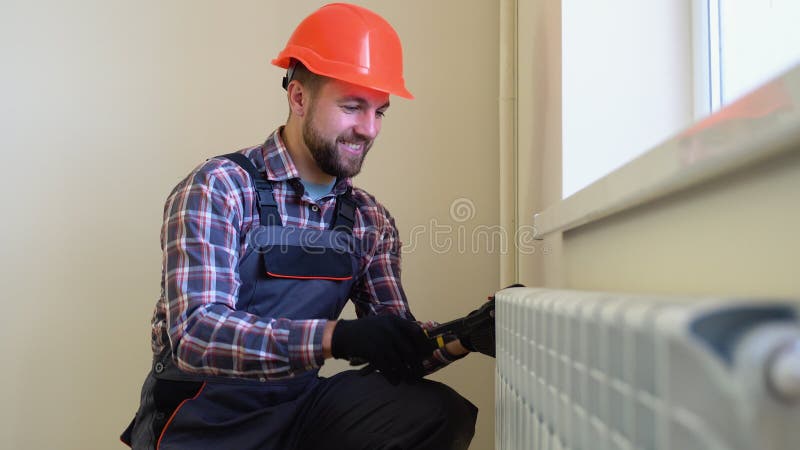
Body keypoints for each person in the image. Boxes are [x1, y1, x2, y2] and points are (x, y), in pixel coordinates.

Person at [121, 3, 495, 449]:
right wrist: (336, 336)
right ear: (298, 98)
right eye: (353, 106)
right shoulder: (220, 188)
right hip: (202, 424)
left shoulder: (368, 220)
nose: (369, 129)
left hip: (299, 411)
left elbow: (396, 349)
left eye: (380, 111)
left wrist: (465, 334)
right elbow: (196, 335)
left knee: (434, 412)